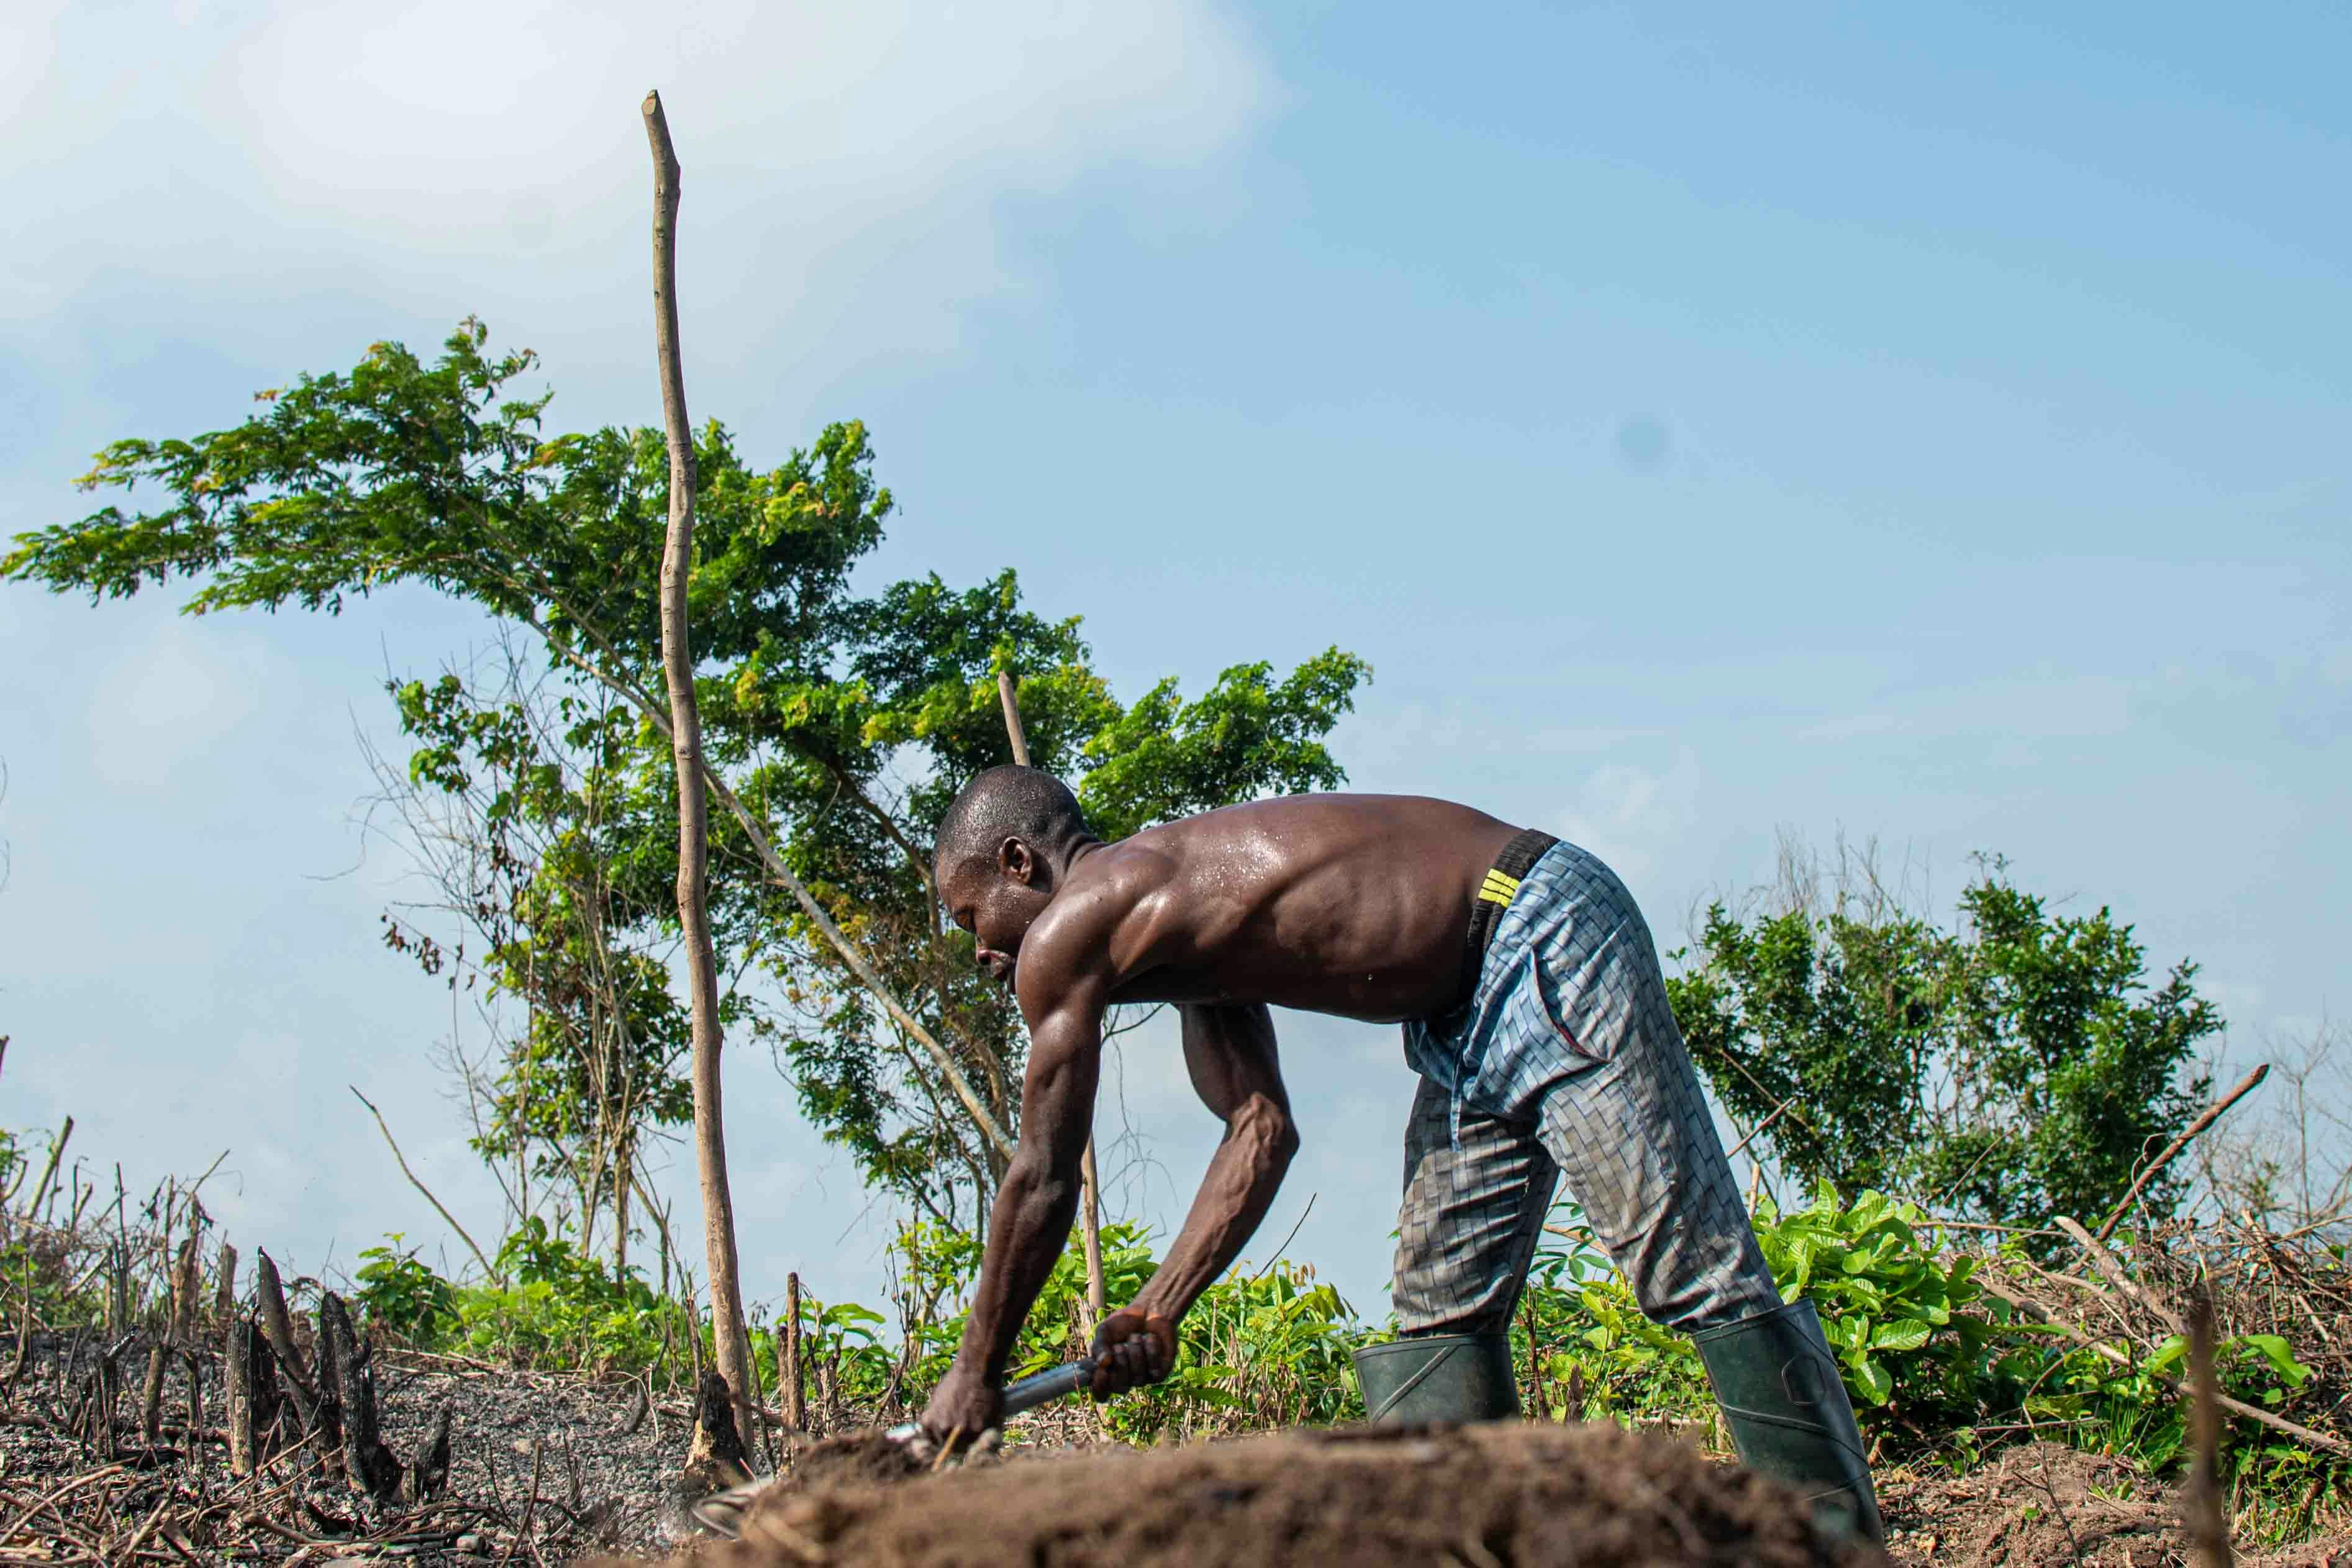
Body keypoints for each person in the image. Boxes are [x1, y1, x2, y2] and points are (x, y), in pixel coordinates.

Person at [916, 766, 1882, 1542]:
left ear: (1019, 863)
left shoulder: (1072, 929)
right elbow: (1260, 1131)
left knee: (1690, 1268)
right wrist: (1158, 1308)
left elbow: (1043, 1174)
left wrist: (974, 1371)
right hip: (1464, 1006)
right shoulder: (1182, 938)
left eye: (971, 919)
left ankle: (1835, 1542)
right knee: (1438, 1315)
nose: (981, 953)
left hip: (1534, 929)